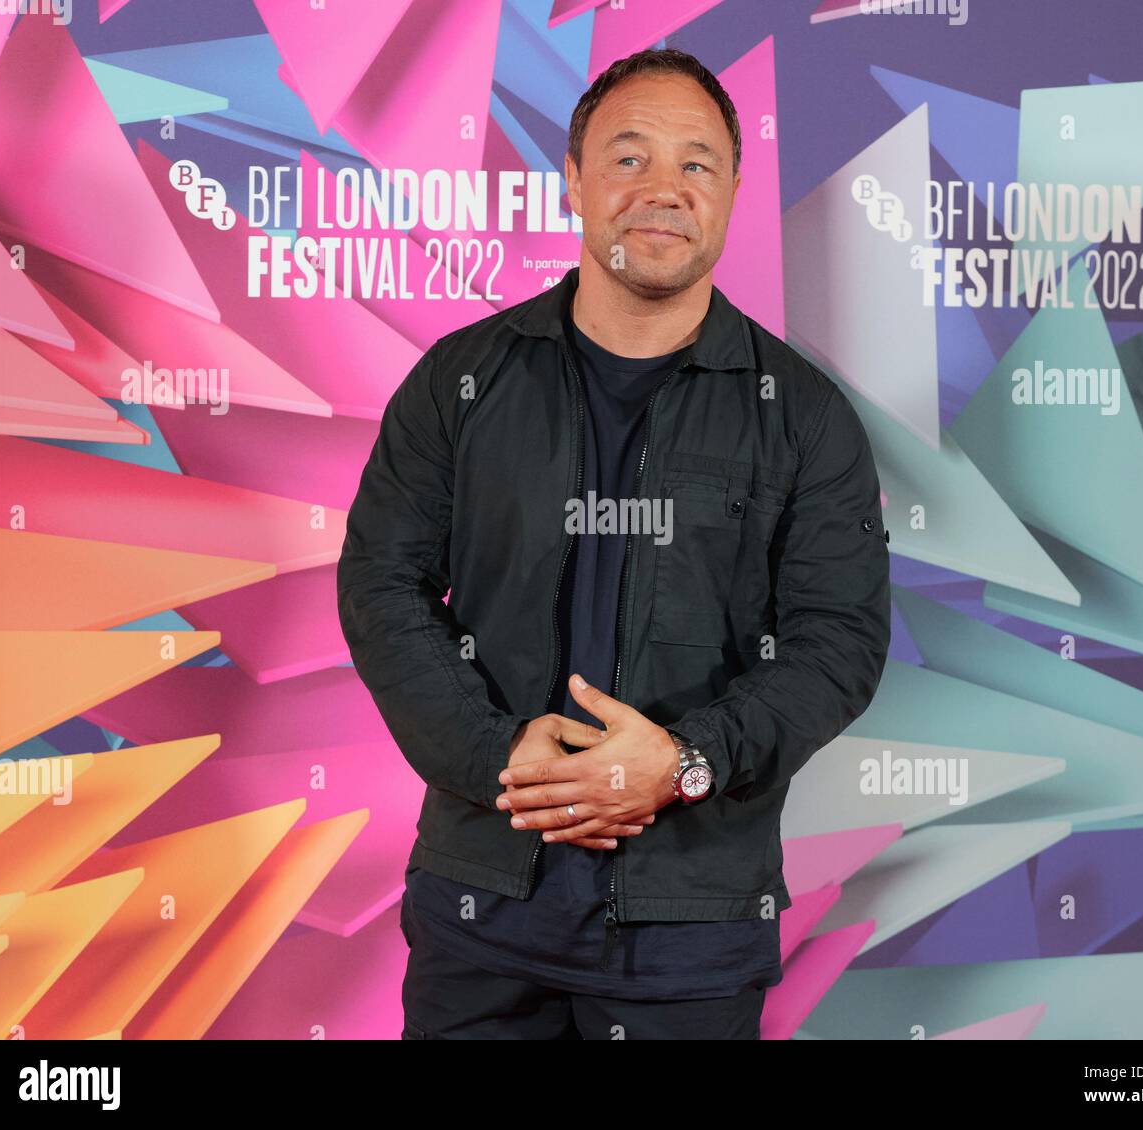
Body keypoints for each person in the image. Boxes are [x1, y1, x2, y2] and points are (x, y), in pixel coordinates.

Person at [337, 47, 891, 1040]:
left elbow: (836, 643)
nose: (662, 189)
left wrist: (682, 760)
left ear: (730, 191)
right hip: (481, 913)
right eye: (628, 158)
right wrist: (500, 754)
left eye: (696, 163)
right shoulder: (460, 383)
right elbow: (381, 584)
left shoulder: (803, 417)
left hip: (692, 930)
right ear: (575, 181)